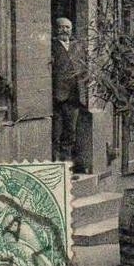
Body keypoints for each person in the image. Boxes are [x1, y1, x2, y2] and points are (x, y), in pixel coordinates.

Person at [52, 17, 85, 174]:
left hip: (74, 97)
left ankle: (66, 167)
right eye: (61, 27)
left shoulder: (77, 46)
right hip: (58, 97)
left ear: (71, 30)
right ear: (56, 29)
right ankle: (55, 166)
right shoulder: (52, 46)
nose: (65, 30)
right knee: (56, 133)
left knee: (70, 133)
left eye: (68, 27)